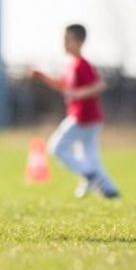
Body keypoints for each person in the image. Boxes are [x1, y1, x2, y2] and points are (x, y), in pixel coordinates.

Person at [32, 24, 120, 199]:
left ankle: (89, 175)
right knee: (90, 156)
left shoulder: (82, 65)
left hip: (83, 116)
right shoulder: (71, 65)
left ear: (79, 42)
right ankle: (109, 190)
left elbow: (99, 85)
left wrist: (79, 93)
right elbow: (61, 85)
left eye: (68, 40)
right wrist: (42, 77)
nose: (64, 44)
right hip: (87, 117)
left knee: (56, 148)